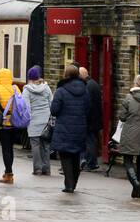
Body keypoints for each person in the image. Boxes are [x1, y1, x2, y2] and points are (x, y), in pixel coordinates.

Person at [50, 65, 91, 194]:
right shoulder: (85, 90)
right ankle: (74, 182)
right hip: (80, 127)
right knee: (76, 155)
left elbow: (54, 110)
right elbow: (88, 109)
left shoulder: (61, 90)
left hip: (64, 127)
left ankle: (69, 184)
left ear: (66, 74)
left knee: (65, 156)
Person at [0, 68, 23, 185]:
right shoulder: (15, 88)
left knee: (6, 149)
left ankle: (9, 174)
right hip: (15, 122)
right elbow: (20, 101)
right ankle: (8, 172)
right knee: (11, 148)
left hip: (4, 123)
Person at [23, 67, 53, 176]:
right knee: (45, 145)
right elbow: (51, 103)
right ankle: (47, 169)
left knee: (35, 145)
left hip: (33, 121)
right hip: (46, 121)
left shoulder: (27, 90)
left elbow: (26, 107)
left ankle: (38, 169)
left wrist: (28, 119)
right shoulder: (46, 88)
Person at [80, 66, 104, 171]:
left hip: (90, 119)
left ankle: (91, 163)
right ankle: (91, 162)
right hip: (96, 118)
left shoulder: (87, 86)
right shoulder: (94, 84)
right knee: (93, 140)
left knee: (90, 141)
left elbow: (86, 104)